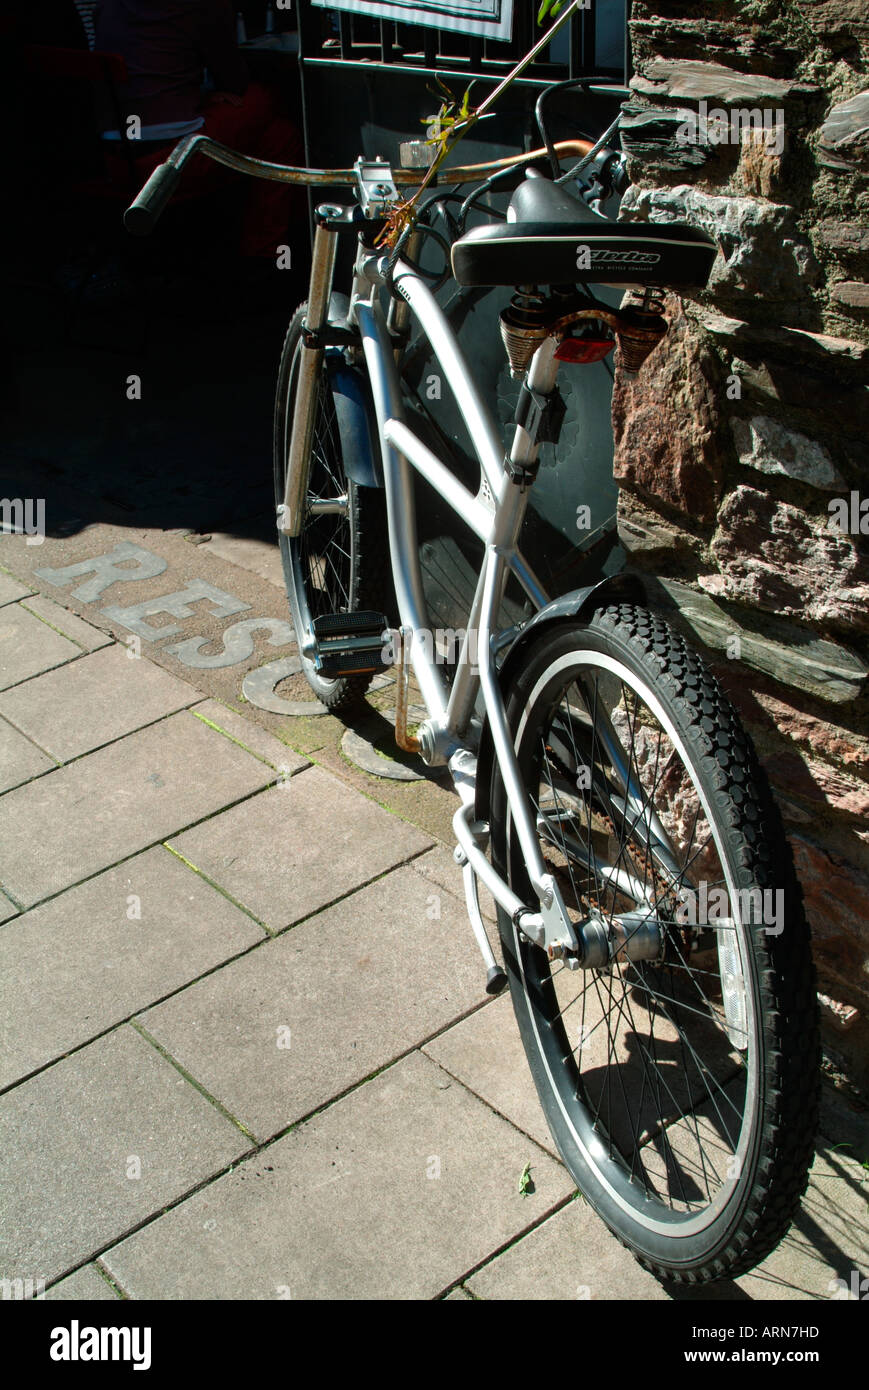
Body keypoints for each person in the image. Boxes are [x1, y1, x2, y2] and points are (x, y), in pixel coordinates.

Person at [93, 0, 305, 262]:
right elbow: (234, 81)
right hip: (171, 163)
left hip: (111, 162)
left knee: (274, 132)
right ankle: (266, 258)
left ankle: (261, 257)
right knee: (273, 114)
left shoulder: (108, 6)